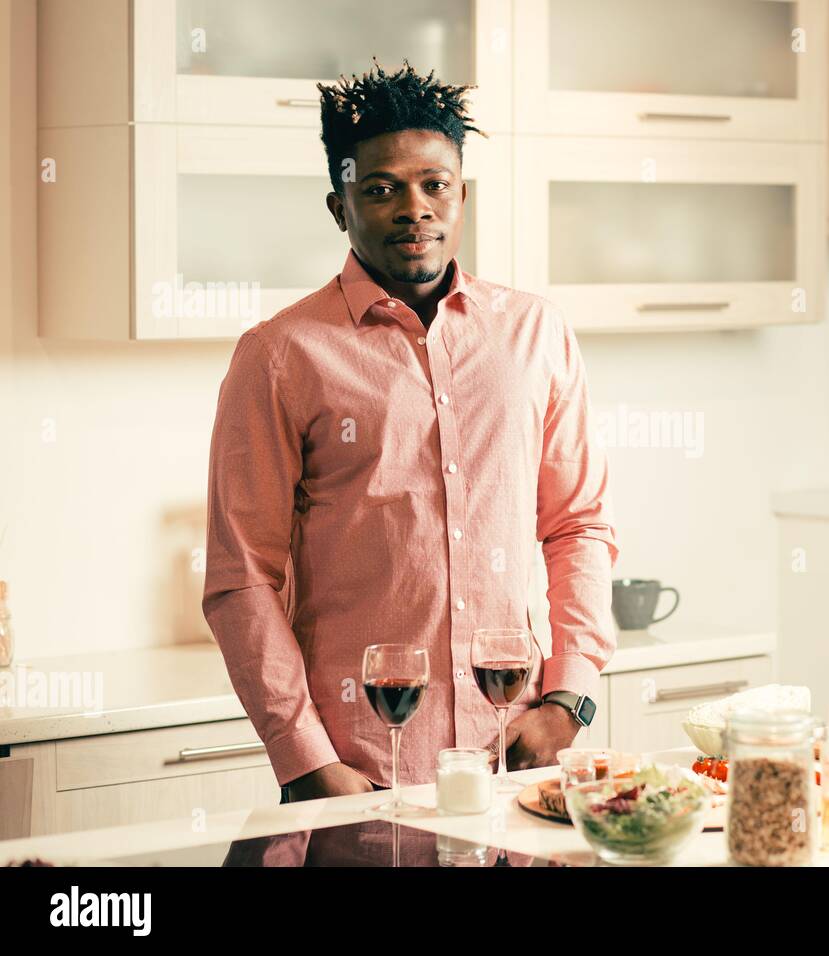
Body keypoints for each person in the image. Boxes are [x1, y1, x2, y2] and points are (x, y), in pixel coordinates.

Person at [202, 60, 618, 803]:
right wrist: (305, 760)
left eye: (435, 184)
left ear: (461, 195)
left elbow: (578, 526)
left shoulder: (535, 334)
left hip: (514, 766)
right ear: (340, 207)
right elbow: (242, 578)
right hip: (360, 771)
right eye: (380, 188)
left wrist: (569, 699)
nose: (413, 208)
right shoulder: (279, 356)